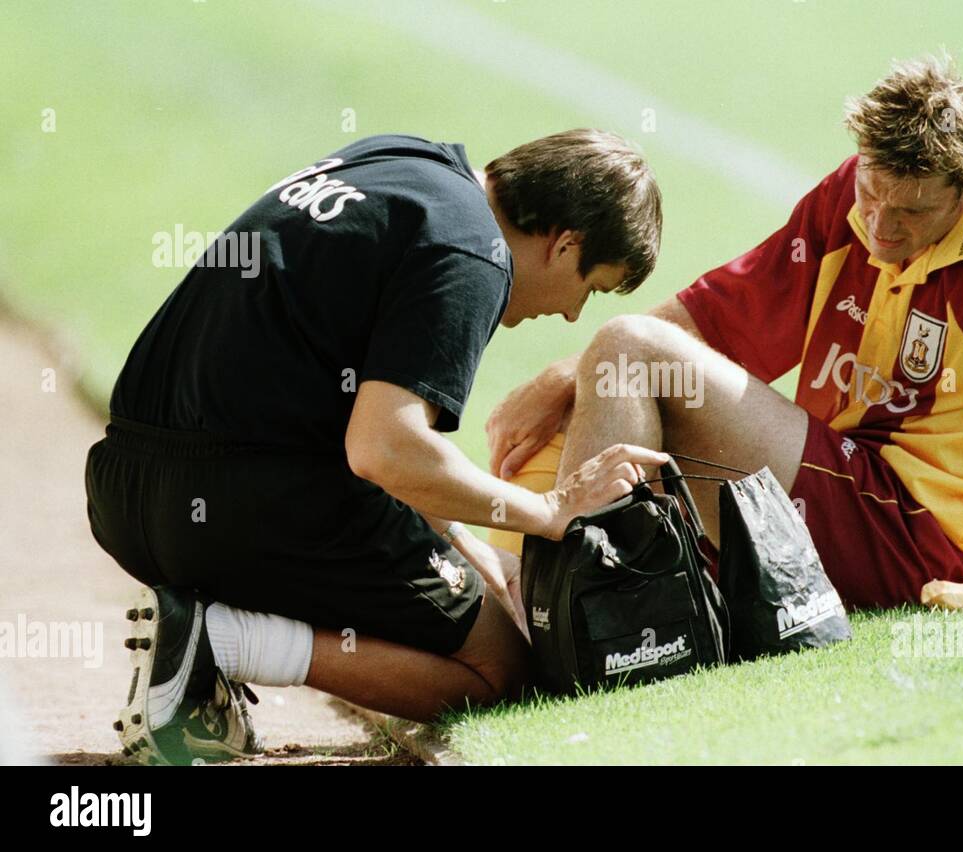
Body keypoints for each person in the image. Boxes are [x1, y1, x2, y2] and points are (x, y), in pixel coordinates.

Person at [485, 56, 963, 616]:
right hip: (841, 488)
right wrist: (563, 378)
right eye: (873, 196)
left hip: (915, 526)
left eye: (909, 213)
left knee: (625, 350)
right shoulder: (850, 198)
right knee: (560, 440)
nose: (879, 226)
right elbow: (716, 320)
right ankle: (578, 607)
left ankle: (593, 622)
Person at [85, 130, 667, 765]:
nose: (575, 317)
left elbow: (360, 435)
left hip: (125, 493)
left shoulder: (402, 162)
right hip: (234, 508)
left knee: (438, 574)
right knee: (502, 670)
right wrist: (548, 512)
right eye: (593, 289)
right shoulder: (473, 252)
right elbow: (383, 451)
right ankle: (221, 642)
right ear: (566, 244)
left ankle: (197, 661)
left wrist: (467, 544)